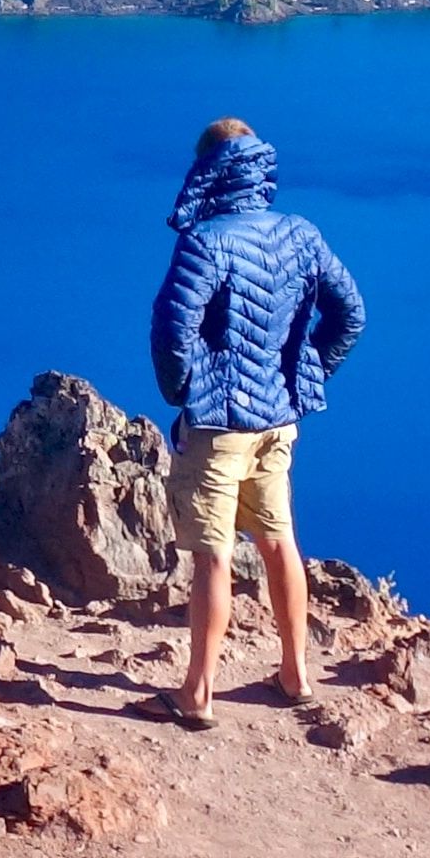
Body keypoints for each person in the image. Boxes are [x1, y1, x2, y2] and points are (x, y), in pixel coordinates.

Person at [137, 118, 364, 728]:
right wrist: (306, 373)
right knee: (278, 541)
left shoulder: (205, 241)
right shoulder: (302, 234)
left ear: (207, 168)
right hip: (277, 423)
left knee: (212, 557)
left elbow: (171, 330)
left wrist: (185, 396)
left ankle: (198, 695)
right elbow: (352, 313)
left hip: (218, 428)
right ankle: (296, 675)